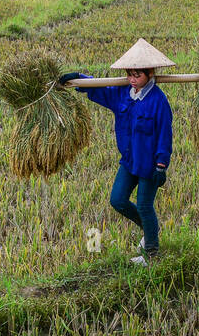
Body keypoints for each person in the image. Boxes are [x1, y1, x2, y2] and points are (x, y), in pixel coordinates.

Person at [59, 38, 173, 265]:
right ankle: (149, 230)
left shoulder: (158, 101)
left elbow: (164, 134)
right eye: (129, 74)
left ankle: (151, 253)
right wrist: (79, 79)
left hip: (149, 164)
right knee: (118, 200)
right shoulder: (123, 93)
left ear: (150, 73)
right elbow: (101, 89)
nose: (132, 79)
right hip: (129, 161)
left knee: (144, 205)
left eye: (137, 75)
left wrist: (161, 165)